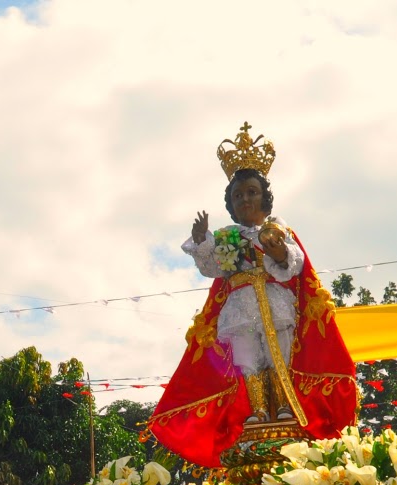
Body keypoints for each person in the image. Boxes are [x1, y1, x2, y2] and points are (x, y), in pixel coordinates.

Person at [150, 123, 356, 466]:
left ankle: (285, 407)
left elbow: (294, 265)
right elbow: (211, 267)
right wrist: (202, 241)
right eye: (238, 195)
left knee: (282, 356)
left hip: (276, 305)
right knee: (248, 360)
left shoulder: (279, 228)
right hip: (240, 308)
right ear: (231, 204)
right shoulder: (227, 236)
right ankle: (258, 411)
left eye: (251, 192)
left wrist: (276, 253)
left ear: (264, 196)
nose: (245, 199)